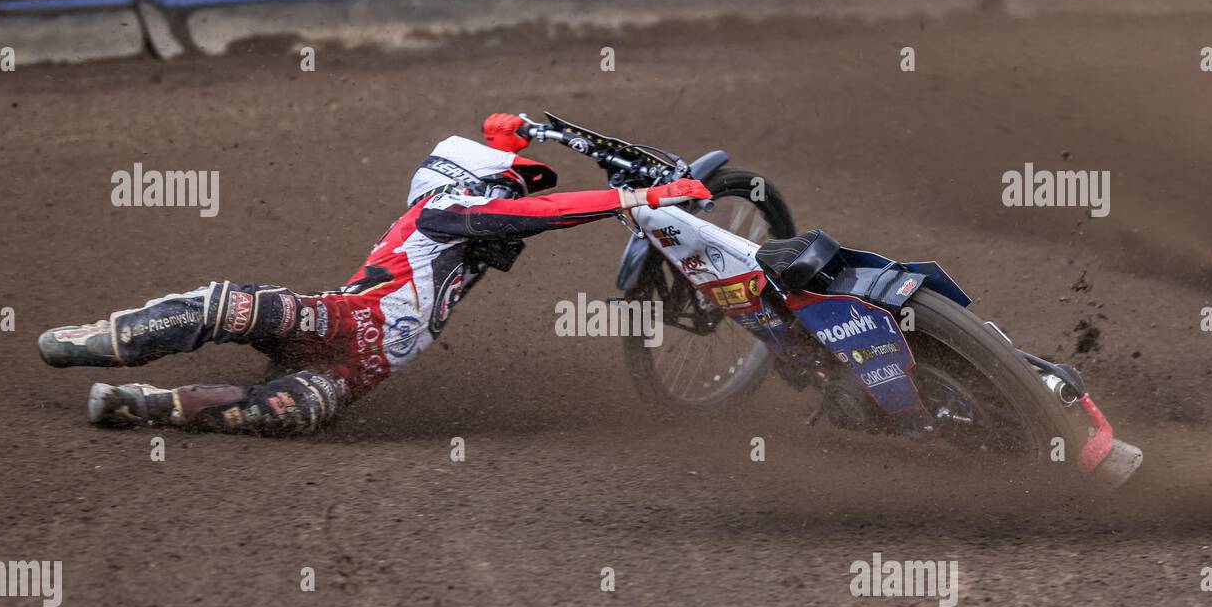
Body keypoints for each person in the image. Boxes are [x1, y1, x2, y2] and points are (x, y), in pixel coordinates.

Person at [37, 113, 711, 434]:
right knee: (238, 308)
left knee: (281, 414)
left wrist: (516, 137)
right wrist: (635, 198)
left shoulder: (468, 216)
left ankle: (155, 406)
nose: (518, 195)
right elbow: (548, 213)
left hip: (359, 370)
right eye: (509, 183)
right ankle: (102, 339)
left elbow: (534, 205)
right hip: (342, 322)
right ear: (472, 183)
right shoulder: (448, 214)